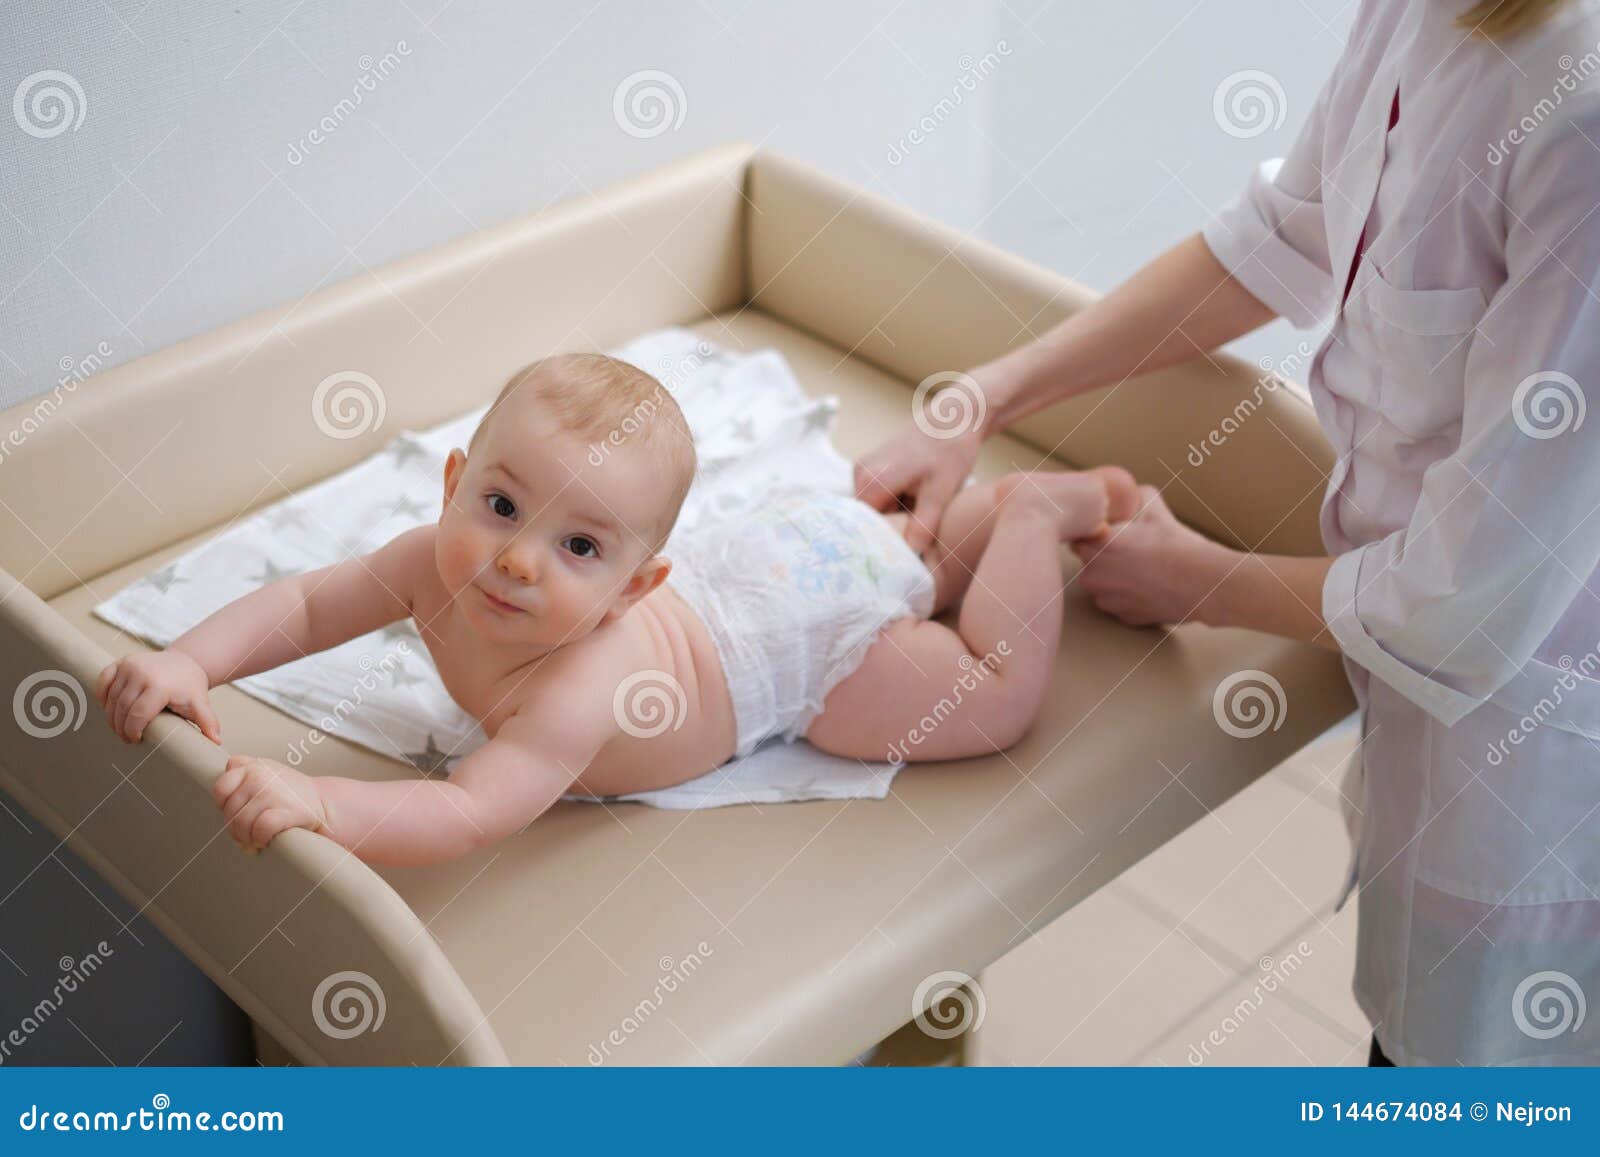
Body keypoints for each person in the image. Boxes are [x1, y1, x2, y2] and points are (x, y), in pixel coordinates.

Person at [855, 0, 1600, 1066]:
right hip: (1434, 715)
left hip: (1543, 770)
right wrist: (983, 395)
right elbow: (1283, 238)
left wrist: (1197, 581)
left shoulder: (1580, 115)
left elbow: (1465, 598)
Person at [92, 351, 1138, 867]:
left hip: (803, 647)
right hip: (769, 553)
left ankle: (1037, 513)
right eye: (500, 505)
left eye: (578, 546)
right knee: (899, 547)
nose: (515, 560)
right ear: (452, 481)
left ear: (635, 589)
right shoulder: (427, 558)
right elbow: (308, 600)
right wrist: (194, 661)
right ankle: (1002, 509)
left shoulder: (576, 687)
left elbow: (469, 809)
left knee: (984, 696)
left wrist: (328, 803)